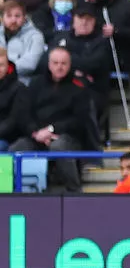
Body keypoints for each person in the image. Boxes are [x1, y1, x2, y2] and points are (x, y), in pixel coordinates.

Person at [8, 46, 94, 192]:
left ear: (69, 65)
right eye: (55, 63)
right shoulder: (35, 83)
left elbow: (79, 121)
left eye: (63, 63)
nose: (59, 67)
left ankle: (74, 191)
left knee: (59, 147)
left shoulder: (79, 87)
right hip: (37, 136)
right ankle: (12, 192)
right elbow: (23, 114)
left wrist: (51, 130)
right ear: (49, 64)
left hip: (66, 136)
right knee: (16, 149)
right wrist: (35, 132)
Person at [0, 0, 45, 81]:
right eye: (9, 16)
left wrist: (5, 69)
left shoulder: (36, 36)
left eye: (17, 16)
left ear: (24, 18)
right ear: (2, 18)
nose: (13, 20)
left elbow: (30, 64)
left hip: (20, 83)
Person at [0, 47, 22, 150]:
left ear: (8, 66)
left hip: (7, 138)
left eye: (1, 65)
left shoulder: (18, 88)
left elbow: (13, 121)